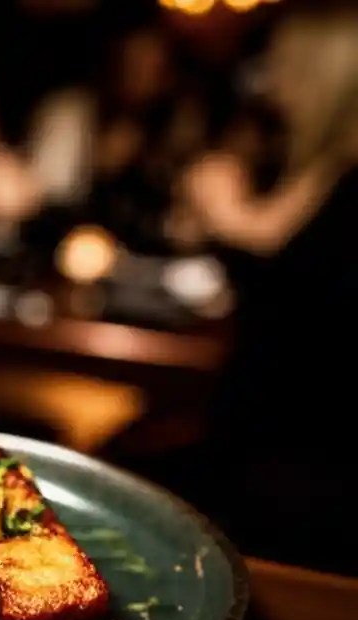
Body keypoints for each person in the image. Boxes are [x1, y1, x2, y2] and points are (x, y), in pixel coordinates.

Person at [130, 2, 358, 575]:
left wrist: (231, 224)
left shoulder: (349, 180)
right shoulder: (306, 162)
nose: (272, 82)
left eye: (286, 66)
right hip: (256, 426)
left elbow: (309, 303)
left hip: (311, 448)